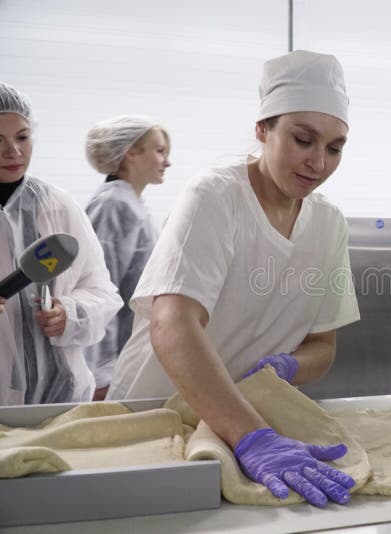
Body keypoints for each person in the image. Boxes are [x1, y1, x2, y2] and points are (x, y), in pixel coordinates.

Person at [107, 51, 360, 507]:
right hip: (154, 420)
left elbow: (322, 347)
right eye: (303, 139)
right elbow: (173, 323)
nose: (318, 163)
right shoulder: (216, 196)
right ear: (262, 130)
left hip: (242, 429)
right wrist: (254, 438)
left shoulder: (329, 224)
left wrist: (287, 367)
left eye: (334, 148)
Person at [0, 82, 122, 405]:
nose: (13, 151)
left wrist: (69, 313)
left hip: (62, 400)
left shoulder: (58, 205)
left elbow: (101, 290)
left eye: (22, 137)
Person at [84, 116, 171, 401]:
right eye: (159, 151)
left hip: (128, 354)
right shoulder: (112, 204)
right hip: (109, 366)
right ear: (131, 152)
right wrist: (100, 371)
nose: (167, 162)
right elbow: (100, 288)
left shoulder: (132, 204)